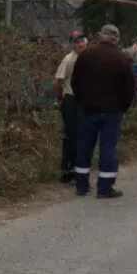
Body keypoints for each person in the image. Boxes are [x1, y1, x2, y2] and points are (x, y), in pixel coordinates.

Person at [70, 24, 135, 199]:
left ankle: (81, 186)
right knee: (108, 149)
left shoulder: (85, 55)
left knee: (83, 147)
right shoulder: (122, 58)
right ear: (116, 39)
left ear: (101, 36)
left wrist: (81, 102)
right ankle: (105, 188)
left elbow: (75, 82)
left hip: (88, 110)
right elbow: (129, 89)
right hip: (112, 112)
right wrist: (123, 107)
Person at [53, 31, 87, 182]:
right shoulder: (68, 59)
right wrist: (60, 98)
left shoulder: (89, 58)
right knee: (70, 135)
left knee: (83, 136)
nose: (80, 44)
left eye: (82, 41)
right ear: (72, 44)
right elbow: (57, 81)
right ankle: (67, 170)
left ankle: (79, 169)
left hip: (85, 101)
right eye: (76, 42)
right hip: (71, 100)